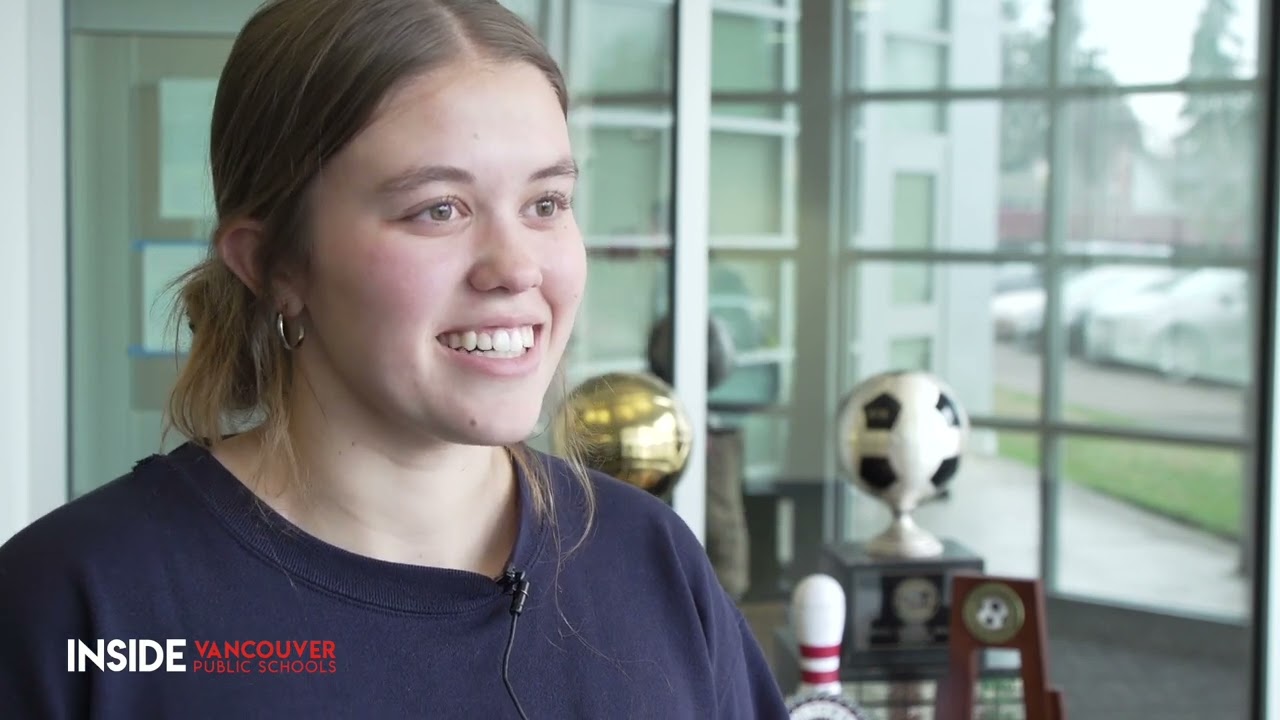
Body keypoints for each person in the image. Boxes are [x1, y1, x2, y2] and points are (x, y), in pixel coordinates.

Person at [0, 1, 791, 718]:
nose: (516, 268)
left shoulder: (648, 561)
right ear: (275, 264)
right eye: (437, 210)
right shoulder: (81, 610)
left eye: (545, 203)